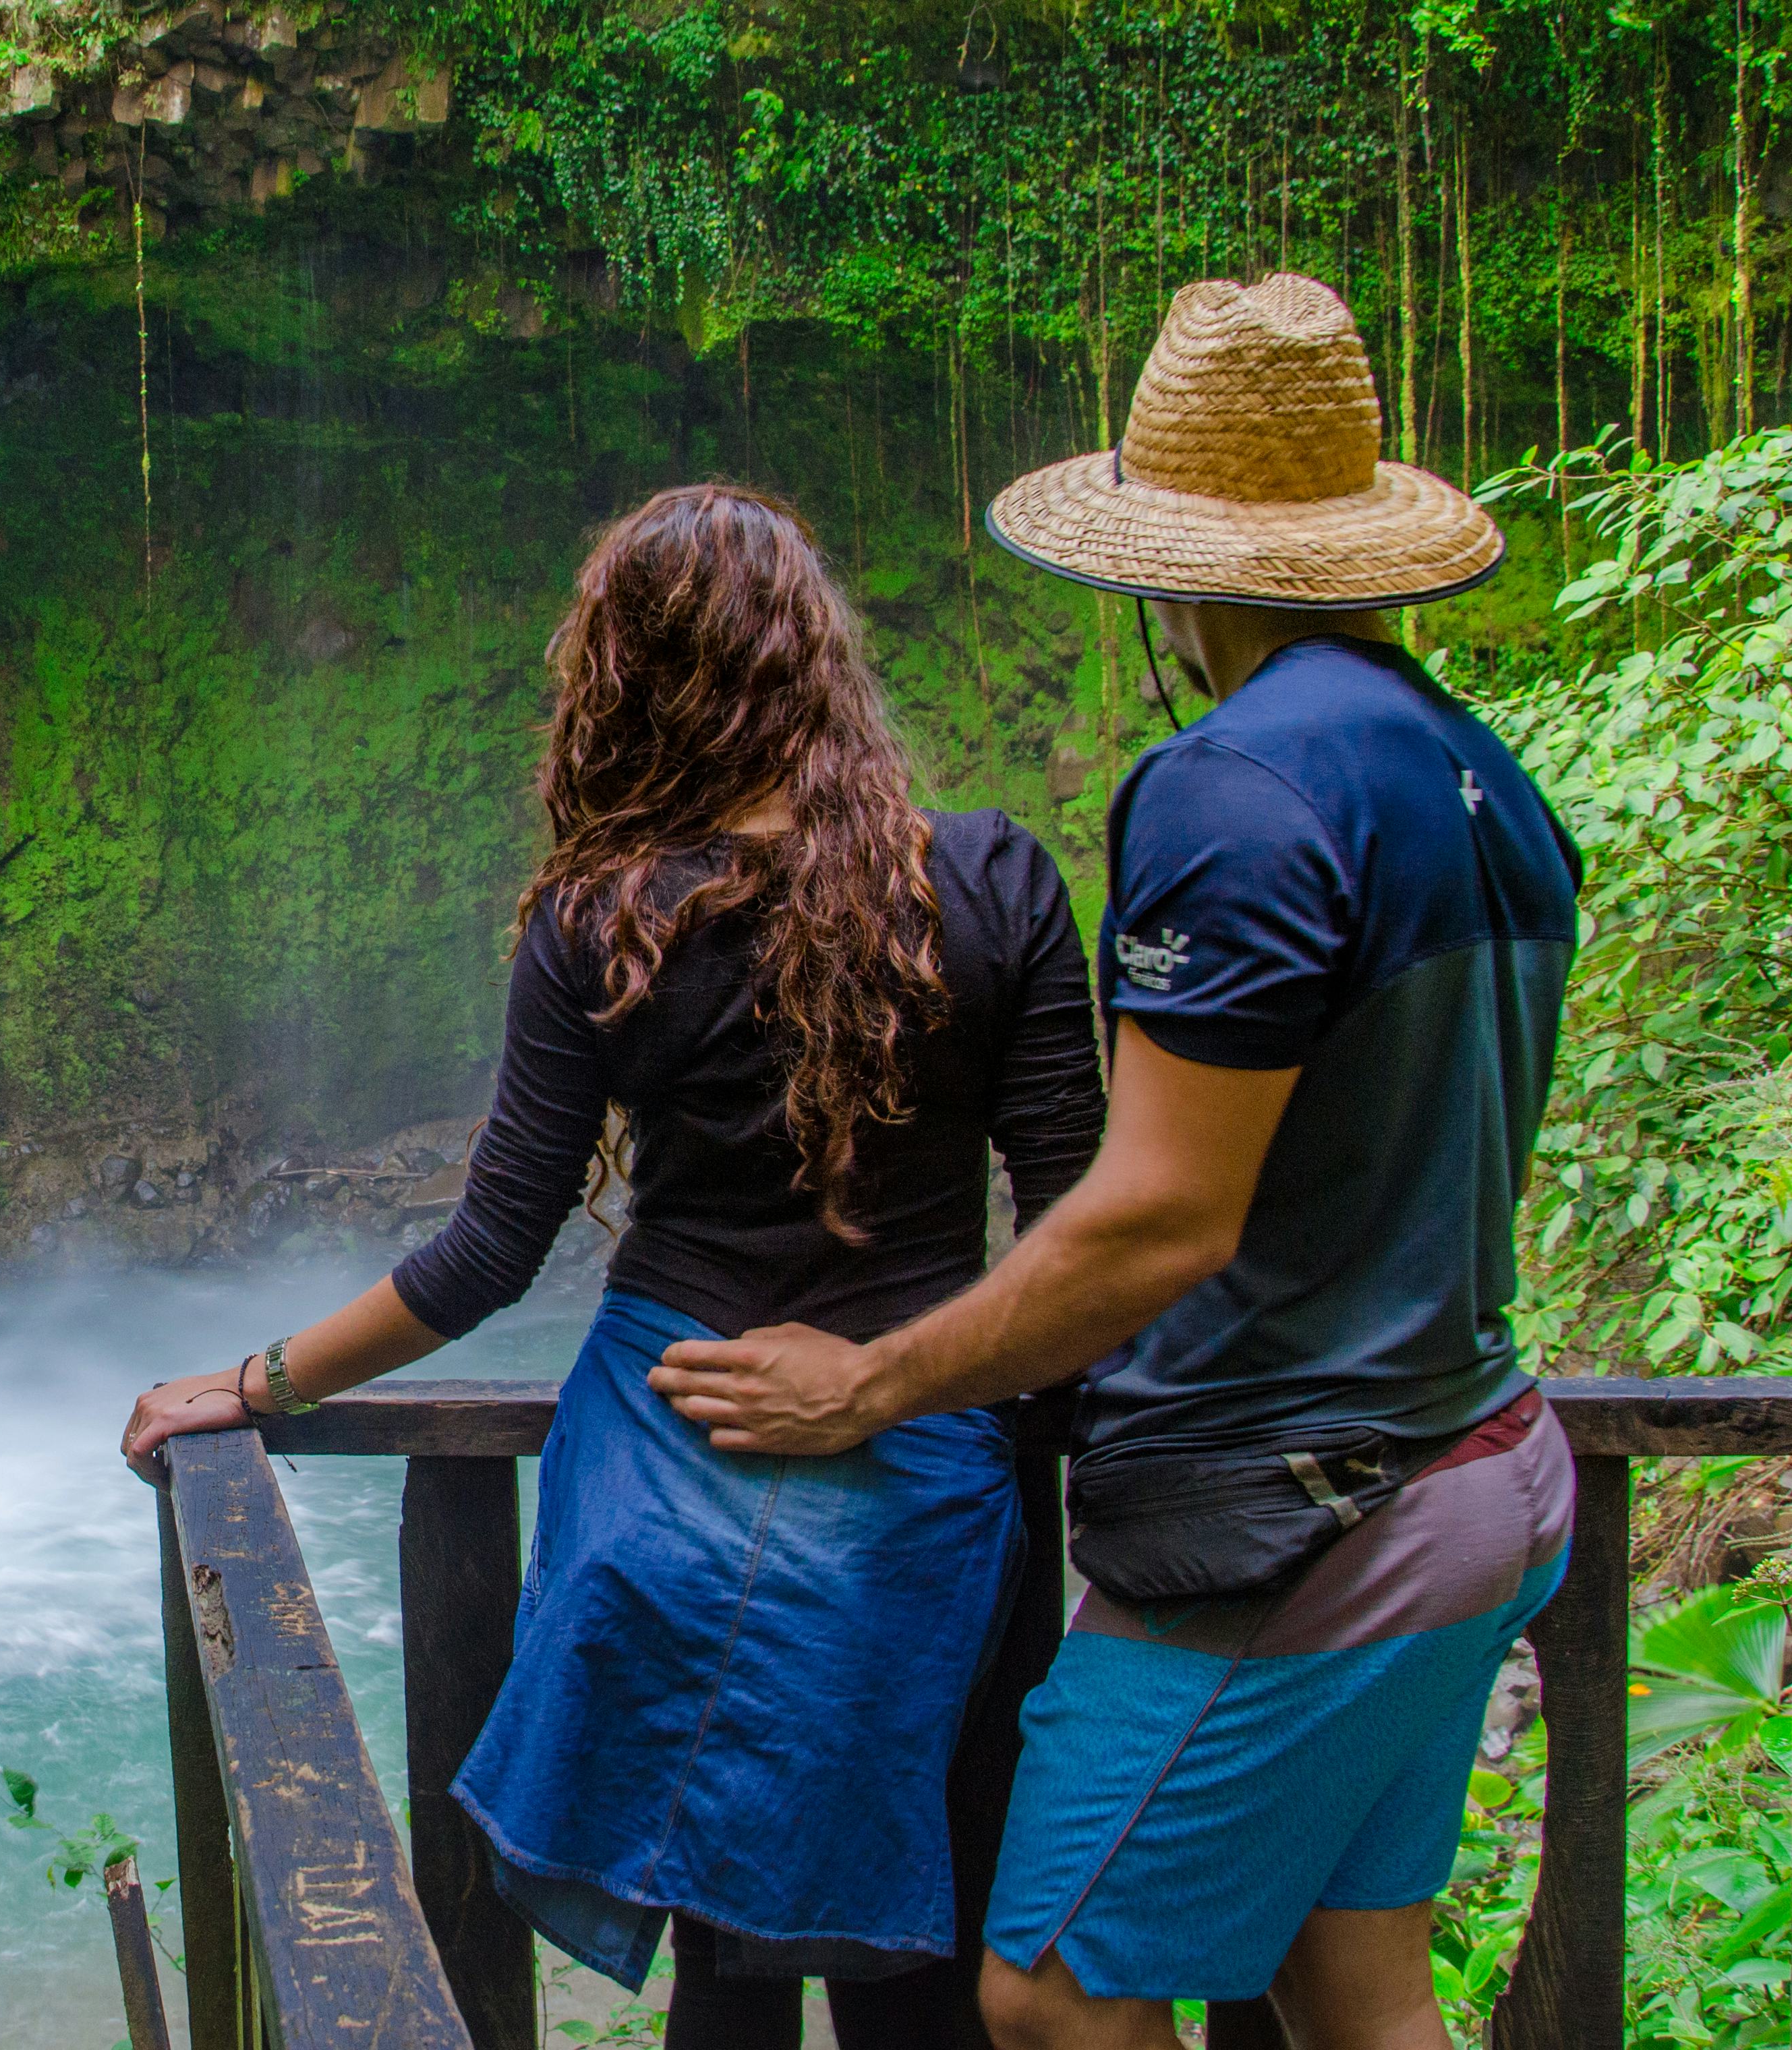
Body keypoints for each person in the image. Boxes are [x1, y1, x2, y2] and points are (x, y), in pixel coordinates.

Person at [646, 276, 1582, 2050]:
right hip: (1481, 1465)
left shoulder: (1231, 790)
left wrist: (872, 1381)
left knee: (1053, 1996)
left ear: (1164, 557)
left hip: (1299, 1511)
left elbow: (1155, 1210)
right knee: (1357, 1997)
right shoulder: (1483, 779)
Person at [121, 482, 1106, 2049]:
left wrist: (252, 1383)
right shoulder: (991, 886)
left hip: (667, 1463)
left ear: (626, 680)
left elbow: (488, 1253)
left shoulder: (606, 920)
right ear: (816, 662)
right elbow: (1082, 1231)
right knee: (927, 1917)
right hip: (923, 1466)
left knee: (725, 1950)